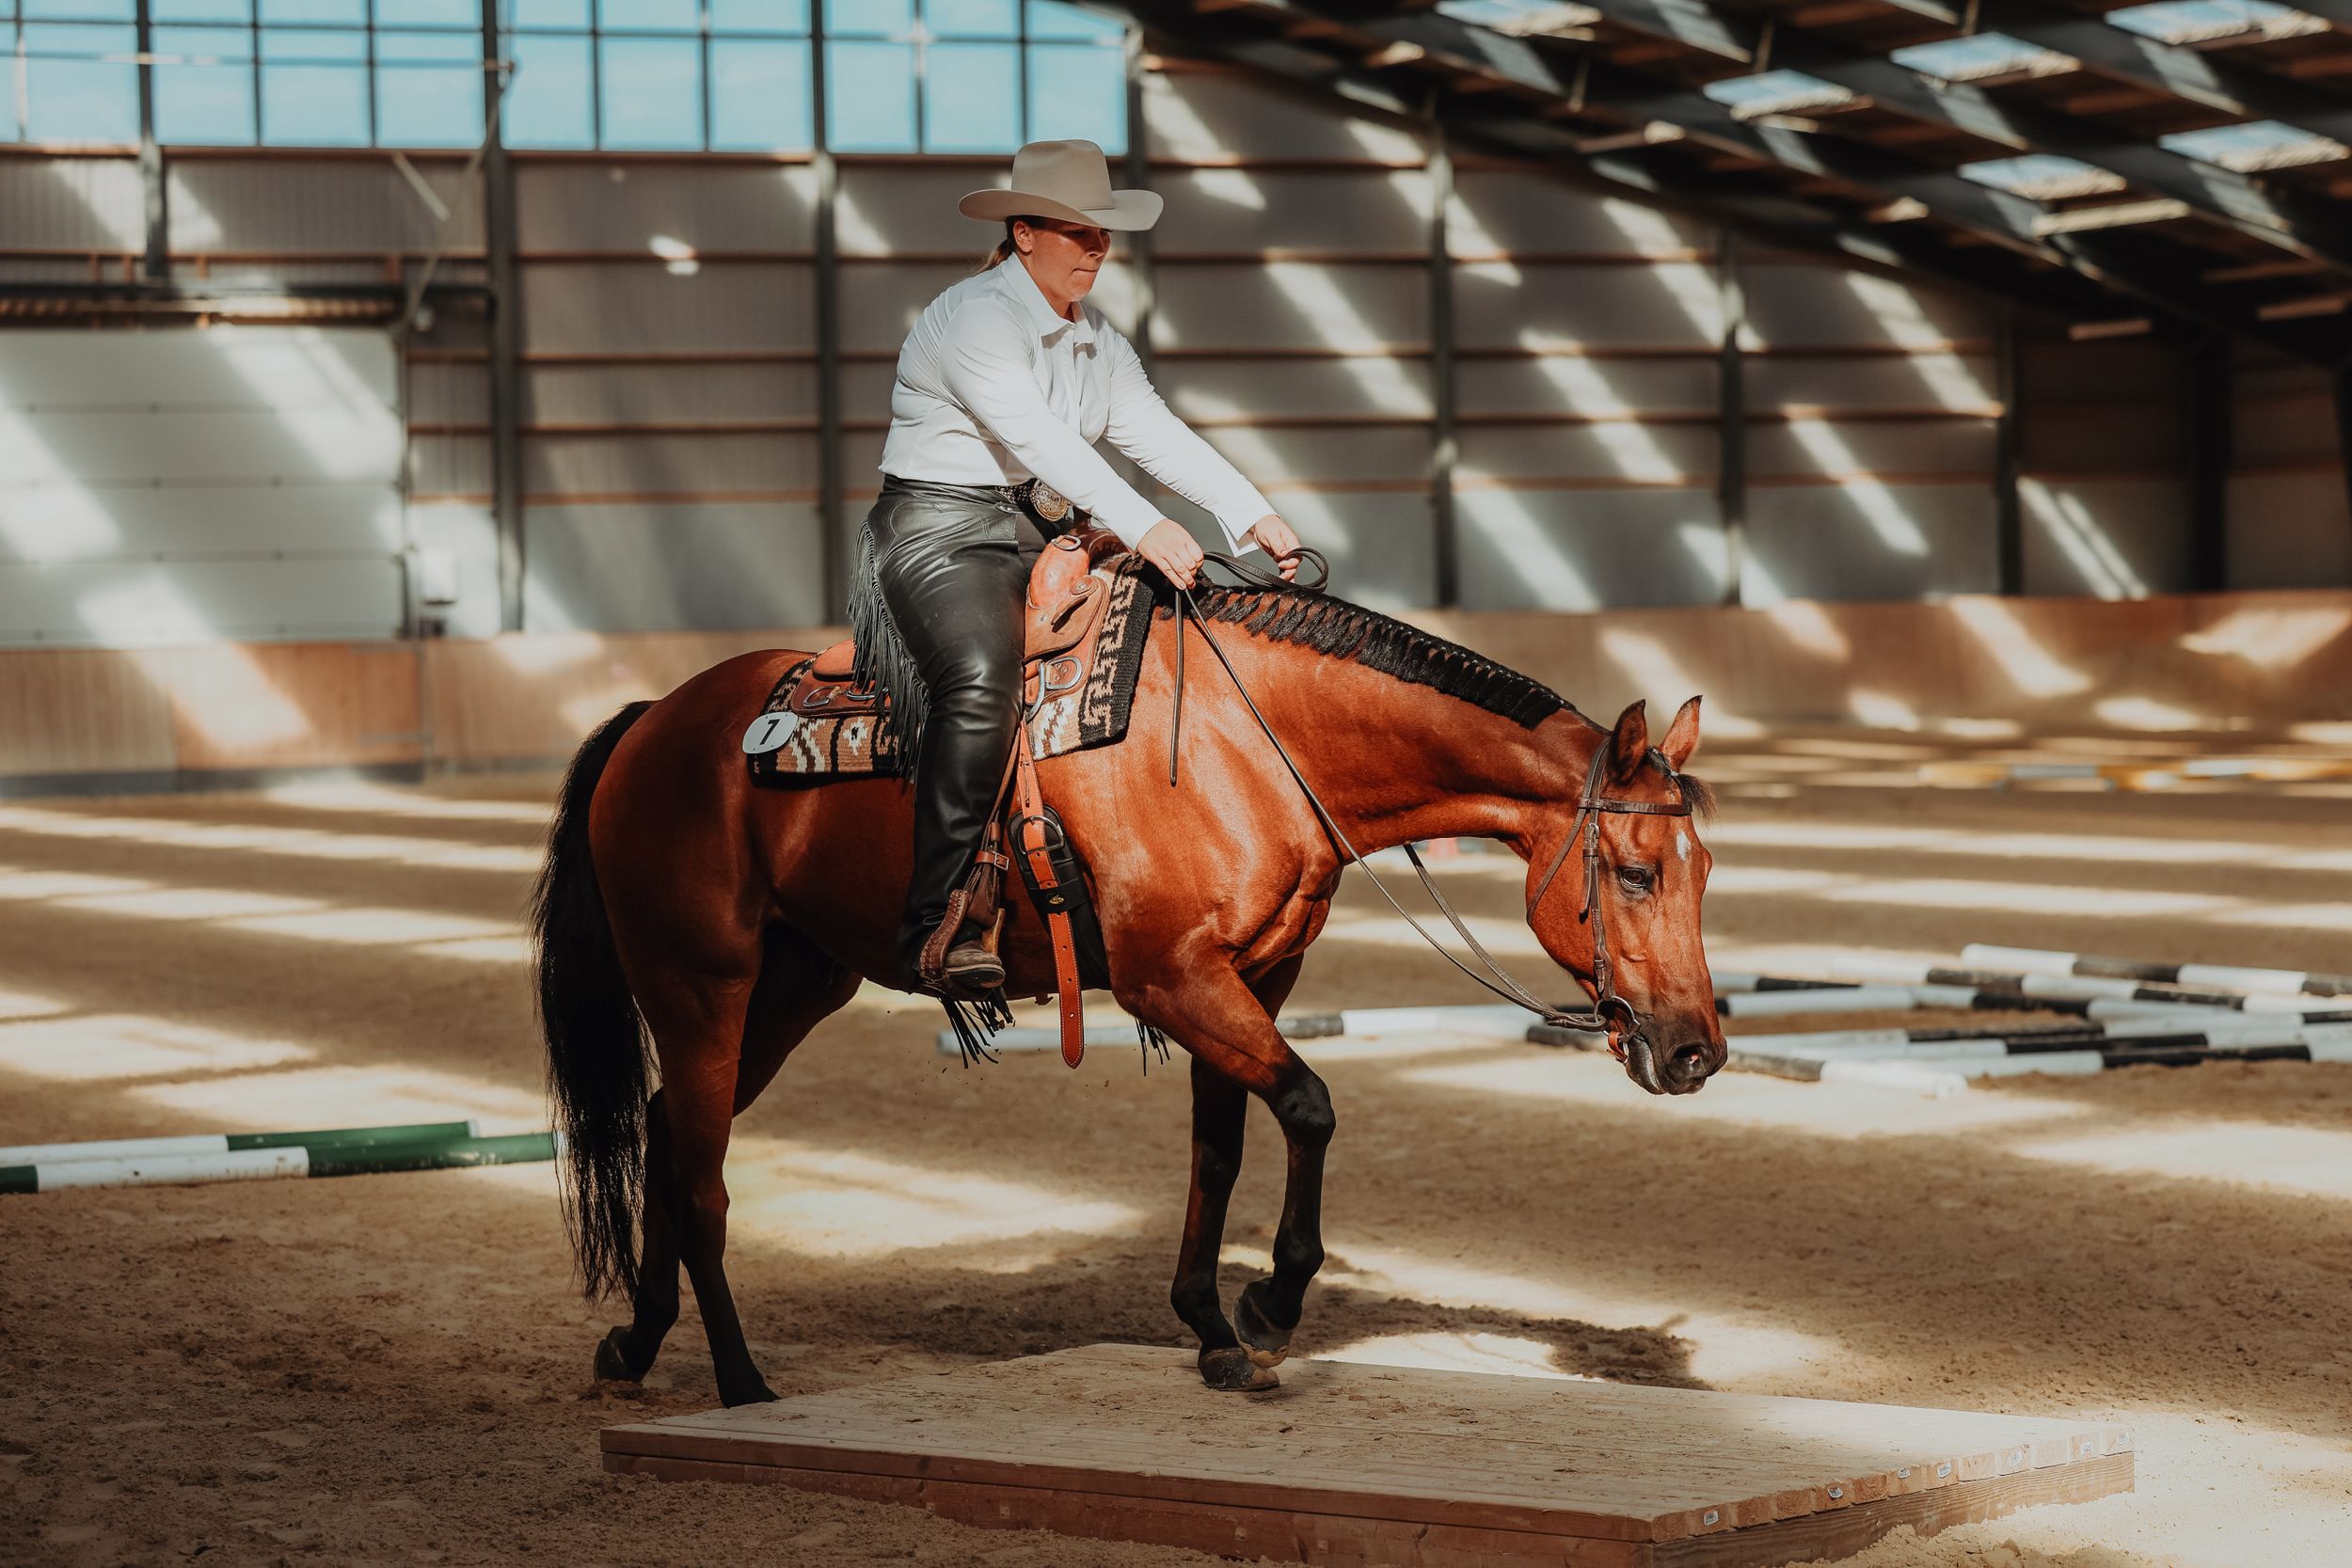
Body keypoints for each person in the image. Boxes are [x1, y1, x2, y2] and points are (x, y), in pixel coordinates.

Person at [850, 138, 1301, 999]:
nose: (1096, 248)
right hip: (941, 528)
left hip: (1043, 527)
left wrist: (1253, 514)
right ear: (1024, 233)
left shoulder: (1100, 343)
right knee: (982, 682)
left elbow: (1158, 434)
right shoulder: (974, 317)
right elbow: (1039, 441)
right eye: (1077, 232)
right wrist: (1147, 523)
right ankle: (936, 918)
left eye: (1103, 235)